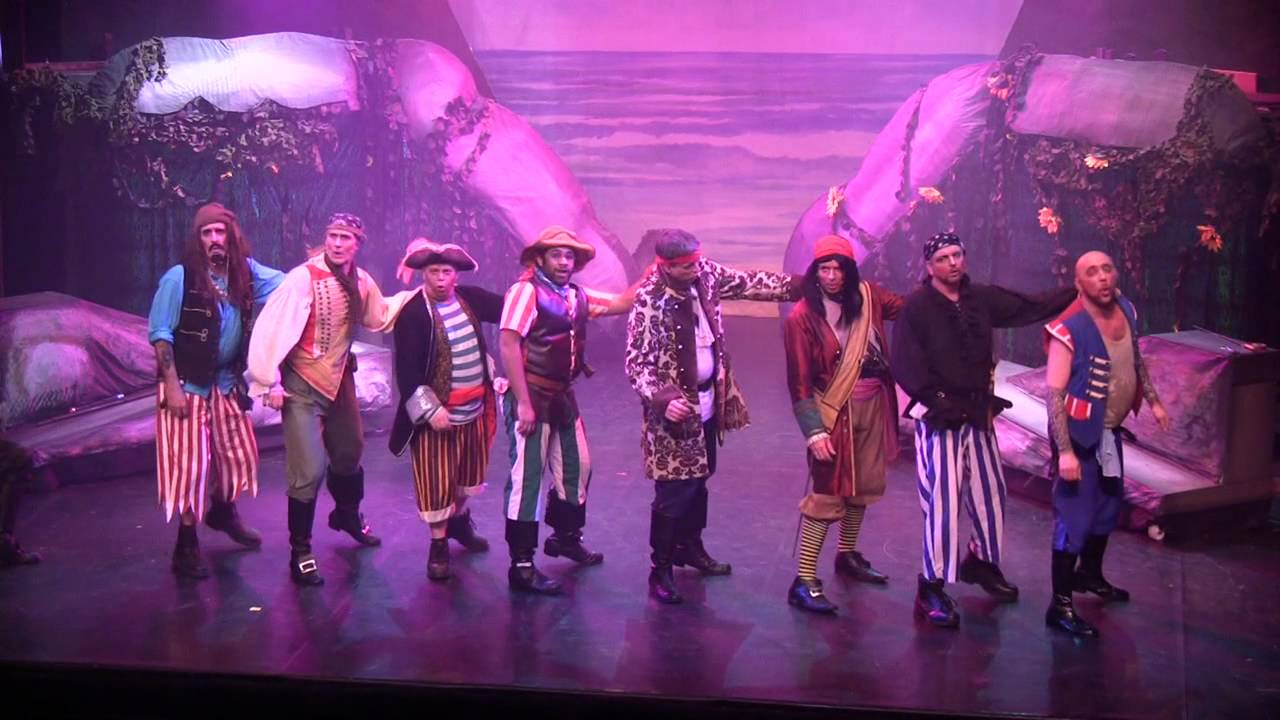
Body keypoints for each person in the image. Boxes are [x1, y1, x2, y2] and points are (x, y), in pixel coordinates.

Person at [890, 232, 1075, 628]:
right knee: (943, 501)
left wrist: (1075, 291)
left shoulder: (980, 298)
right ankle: (931, 585)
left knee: (990, 492)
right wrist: (938, 400)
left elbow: (1028, 306)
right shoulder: (918, 307)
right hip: (940, 416)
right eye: (944, 258)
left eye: (957, 255)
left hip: (978, 412)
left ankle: (981, 560)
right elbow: (905, 363)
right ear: (930, 266)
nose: (953, 263)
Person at [624, 228, 798, 604]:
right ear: (666, 266)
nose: (696, 269)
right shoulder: (650, 299)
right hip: (673, 412)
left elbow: (748, 283)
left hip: (707, 402)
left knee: (700, 479)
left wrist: (801, 286)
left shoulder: (705, 274)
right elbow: (637, 363)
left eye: (697, 261)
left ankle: (690, 546)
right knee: (674, 489)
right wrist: (662, 399)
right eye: (686, 266)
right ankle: (660, 568)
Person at [246, 212, 412, 586]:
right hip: (301, 384)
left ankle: (346, 515)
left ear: (357, 243)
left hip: (339, 381)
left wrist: (416, 295)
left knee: (350, 451)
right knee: (308, 469)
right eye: (333, 236)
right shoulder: (303, 278)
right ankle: (301, 551)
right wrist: (269, 381)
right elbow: (271, 328)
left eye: (345, 238)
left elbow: (379, 316)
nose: (337, 243)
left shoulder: (361, 280)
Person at [147, 202, 284, 578]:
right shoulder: (179, 277)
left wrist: (326, 265)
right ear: (198, 239)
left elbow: (290, 284)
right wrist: (172, 387)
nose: (214, 239)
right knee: (190, 468)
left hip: (225, 383)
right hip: (187, 385)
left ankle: (223, 511)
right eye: (206, 233)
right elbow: (160, 334)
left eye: (220, 232)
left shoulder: (246, 273)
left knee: (239, 458)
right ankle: (186, 545)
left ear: (232, 236)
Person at [497, 225, 634, 594]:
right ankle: (521, 564)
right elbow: (508, 345)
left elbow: (621, 303)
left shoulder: (577, 296)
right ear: (540, 259)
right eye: (556, 254)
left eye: (569, 255)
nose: (563, 261)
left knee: (577, 467)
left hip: (561, 396)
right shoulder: (525, 292)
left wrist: (657, 272)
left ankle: (566, 537)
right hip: (531, 394)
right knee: (527, 478)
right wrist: (523, 403)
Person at [1042, 250, 1170, 637]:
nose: (1102, 277)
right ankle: (1060, 605)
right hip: (1079, 436)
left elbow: (1135, 359)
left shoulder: (1127, 310)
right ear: (1079, 284)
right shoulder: (1067, 330)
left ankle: (1090, 575)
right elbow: (1054, 396)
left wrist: (1154, 401)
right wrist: (1065, 451)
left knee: (1109, 505)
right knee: (1074, 516)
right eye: (1092, 272)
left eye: (1107, 269)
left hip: (1109, 433)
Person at [782, 235, 904, 613]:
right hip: (833, 411)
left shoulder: (867, 296)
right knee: (827, 493)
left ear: (850, 271)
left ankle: (846, 554)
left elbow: (908, 310)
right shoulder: (802, 317)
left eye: (839, 269)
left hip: (872, 403)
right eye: (825, 269)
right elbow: (799, 383)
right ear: (815, 271)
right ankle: (804, 579)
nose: (832, 276)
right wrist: (814, 431)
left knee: (862, 485)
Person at [388, 238, 504, 582]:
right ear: (423, 274)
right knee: (437, 482)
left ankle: (458, 523)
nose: (440, 279)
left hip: (474, 409)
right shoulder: (413, 314)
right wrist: (429, 410)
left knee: (466, 478)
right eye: (434, 271)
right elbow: (406, 373)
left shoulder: (471, 299)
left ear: (456, 275)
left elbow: (513, 308)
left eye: (446, 272)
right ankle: (438, 545)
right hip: (437, 415)